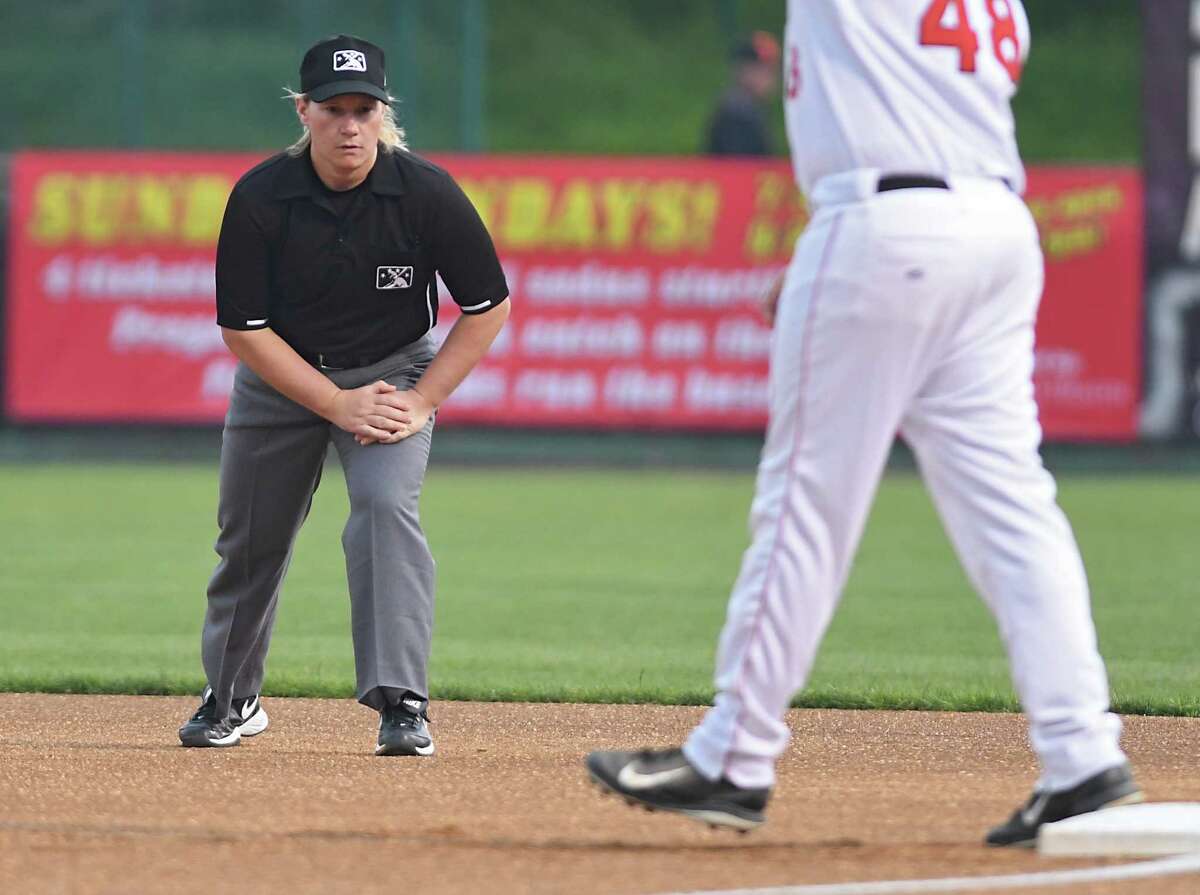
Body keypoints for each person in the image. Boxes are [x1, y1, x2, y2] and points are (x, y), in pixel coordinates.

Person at [586, 0, 1142, 846]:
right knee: (1015, 509)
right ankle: (1082, 754)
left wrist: (846, 249)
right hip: (989, 227)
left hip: (884, 222)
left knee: (804, 503)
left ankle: (734, 755)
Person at [178, 34, 510, 756]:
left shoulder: (424, 192)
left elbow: (488, 306)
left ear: (384, 114)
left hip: (392, 373)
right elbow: (244, 330)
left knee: (386, 511)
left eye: (365, 109)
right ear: (304, 111)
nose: (350, 125)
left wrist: (422, 401)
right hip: (283, 378)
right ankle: (232, 695)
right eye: (334, 108)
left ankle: (403, 701)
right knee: (250, 538)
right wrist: (334, 402)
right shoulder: (263, 196)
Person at [704, 31, 780, 157]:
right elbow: (740, 168)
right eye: (764, 69)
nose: (771, 76)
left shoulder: (751, 107)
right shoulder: (738, 112)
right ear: (744, 70)